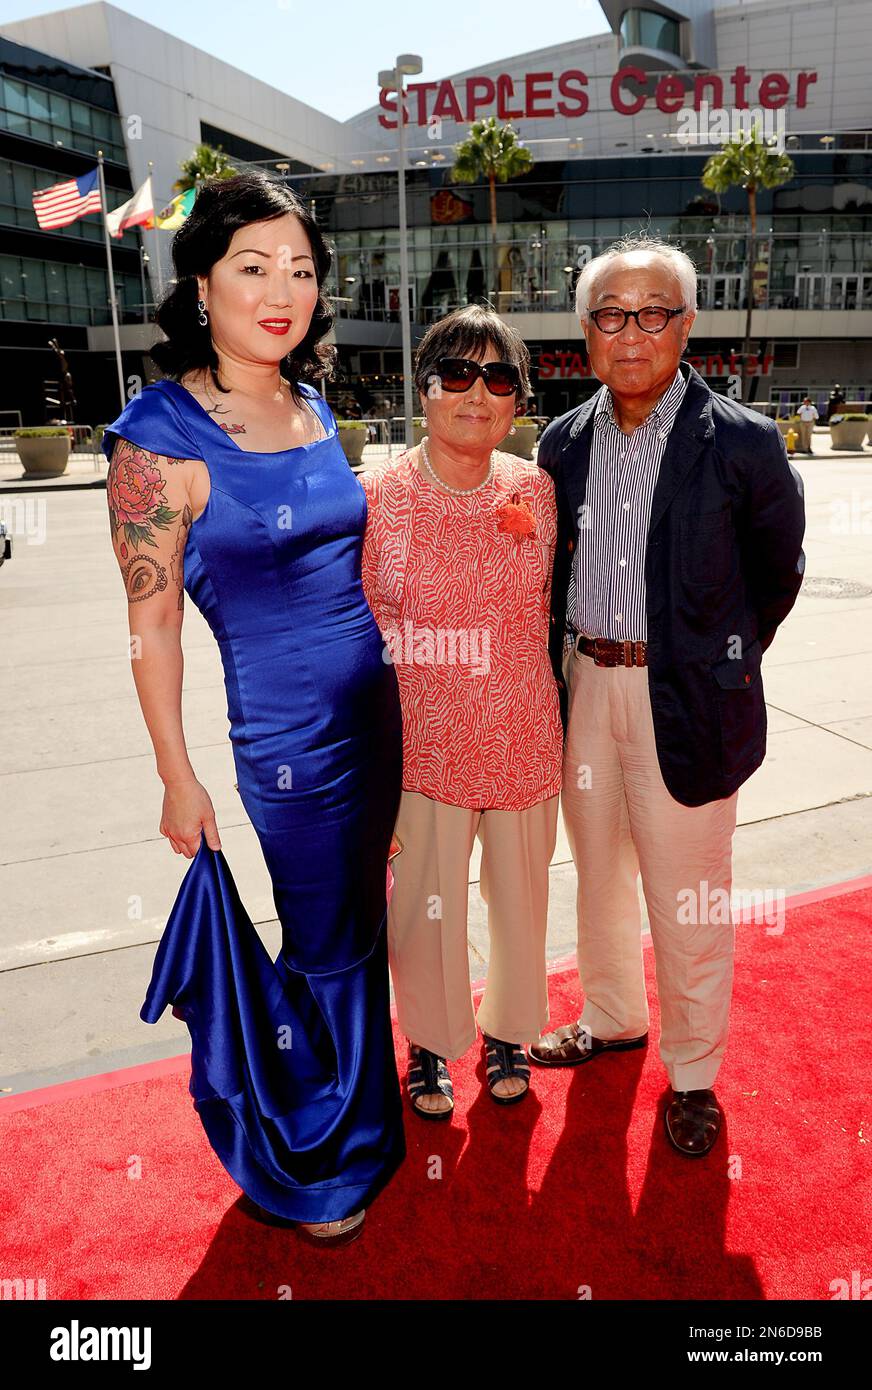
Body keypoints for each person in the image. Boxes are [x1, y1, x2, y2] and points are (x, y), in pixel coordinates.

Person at [102, 172, 404, 1244]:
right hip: (286, 743)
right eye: (252, 266)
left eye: (302, 269)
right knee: (325, 941)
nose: (282, 290)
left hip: (377, 717)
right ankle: (315, 1151)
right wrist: (175, 775)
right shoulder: (158, 438)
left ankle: (357, 1117)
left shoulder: (311, 401)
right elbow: (152, 630)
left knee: (358, 931)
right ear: (198, 283)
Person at [531, 233, 805, 1157]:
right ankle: (612, 1018)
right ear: (585, 334)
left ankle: (693, 1076)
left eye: (654, 313)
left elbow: (777, 575)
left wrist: (715, 660)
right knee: (598, 877)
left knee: (689, 897)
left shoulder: (743, 444)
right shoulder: (560, 445)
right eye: (612, 315)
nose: (633, 333)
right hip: (583, 689)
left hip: (686, 699)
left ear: (687, 326)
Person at [359, 306, 563, 1118]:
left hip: (521, 733)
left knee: (520, 902)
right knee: (424, 905)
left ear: (516, 401)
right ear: (424, 389)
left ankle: (508, 1029)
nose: (477, 393)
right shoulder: (374, 497)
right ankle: (432, 1046)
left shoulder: (537, 489)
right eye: (457, 375)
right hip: (421, 747)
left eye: (499, 378)